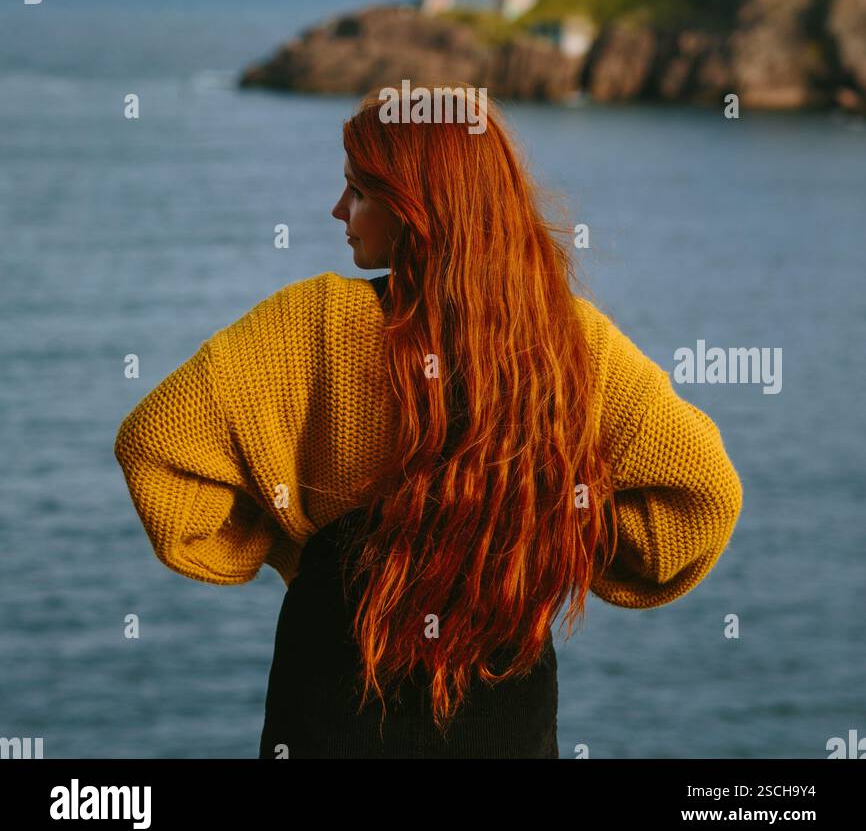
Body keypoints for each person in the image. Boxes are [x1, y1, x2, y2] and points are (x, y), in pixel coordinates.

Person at [114, 86, 743, 759]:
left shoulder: (314, 323)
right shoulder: (572, 342)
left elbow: (155, 445)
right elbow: (704, 495)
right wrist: (552, 526)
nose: (337, 209)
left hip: (331, 704)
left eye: (358, 191)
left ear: (414, 207)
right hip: (506, 714)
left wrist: (298, 545)